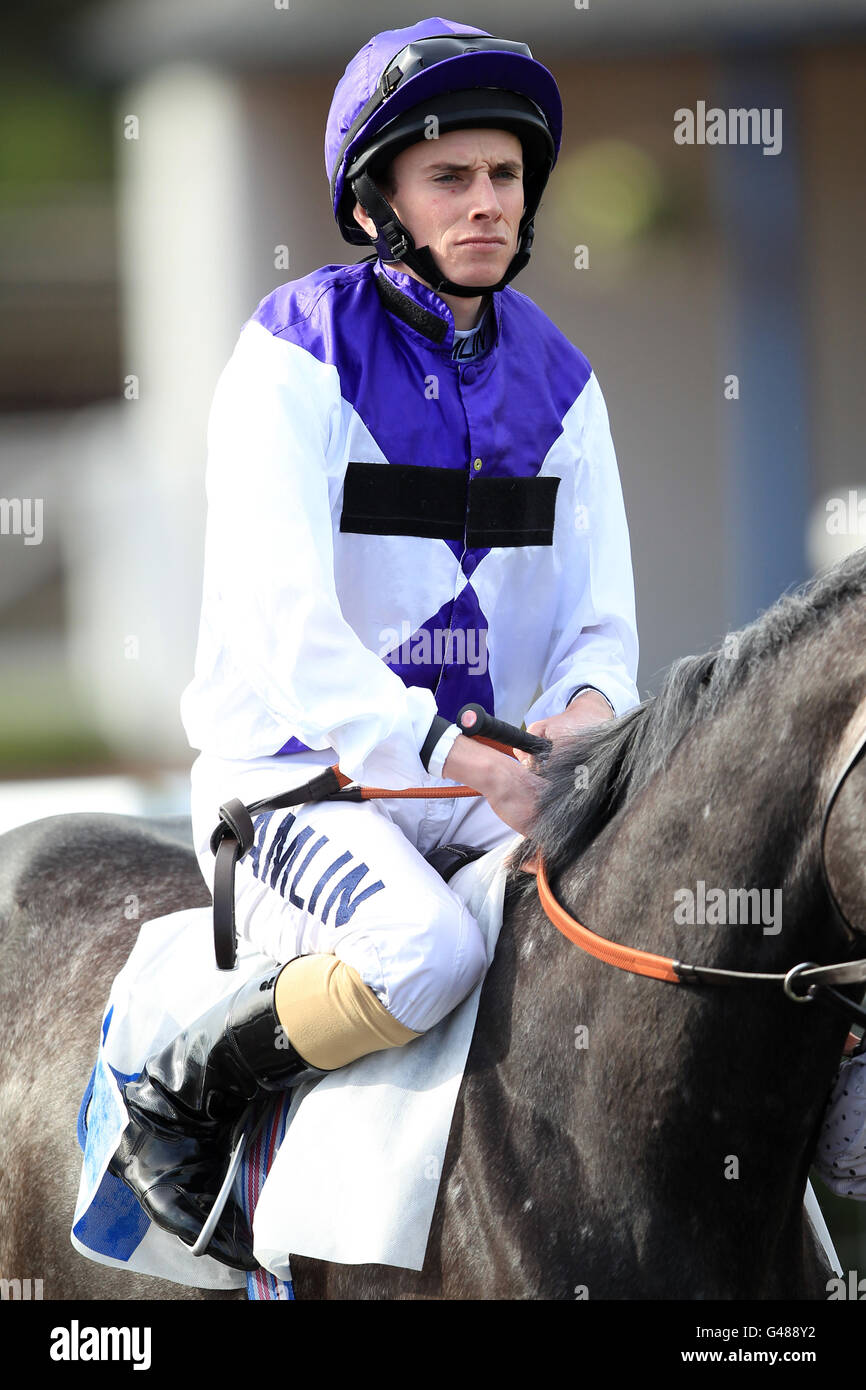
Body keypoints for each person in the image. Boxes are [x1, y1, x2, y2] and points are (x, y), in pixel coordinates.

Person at [107, 17, 640, 1271]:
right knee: (429, 948)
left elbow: (603, 629)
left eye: (504, 177)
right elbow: (289, 635)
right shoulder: (291, 354)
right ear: (376, 200)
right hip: (295, 787)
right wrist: (462, 754)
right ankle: (184, 1085)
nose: (486, 203)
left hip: (478, 791)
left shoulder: (564, 381)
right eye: (449, 177)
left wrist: (576, 714)